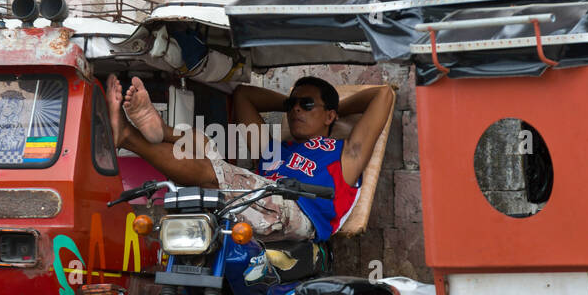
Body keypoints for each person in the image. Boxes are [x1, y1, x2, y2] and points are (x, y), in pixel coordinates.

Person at [105, 72, 394, 242]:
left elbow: (383, 95)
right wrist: (291, 101)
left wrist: (337, 107)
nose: (296, 111)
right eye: (292, 105)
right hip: (251, 196)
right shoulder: (273, 148)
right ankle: (155, 130)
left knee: (214, 170)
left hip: (296, 212)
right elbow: (243, 96)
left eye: (306, 105)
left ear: (330, 115)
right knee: (204, 144)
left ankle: (131, 137)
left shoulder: (343, 152)